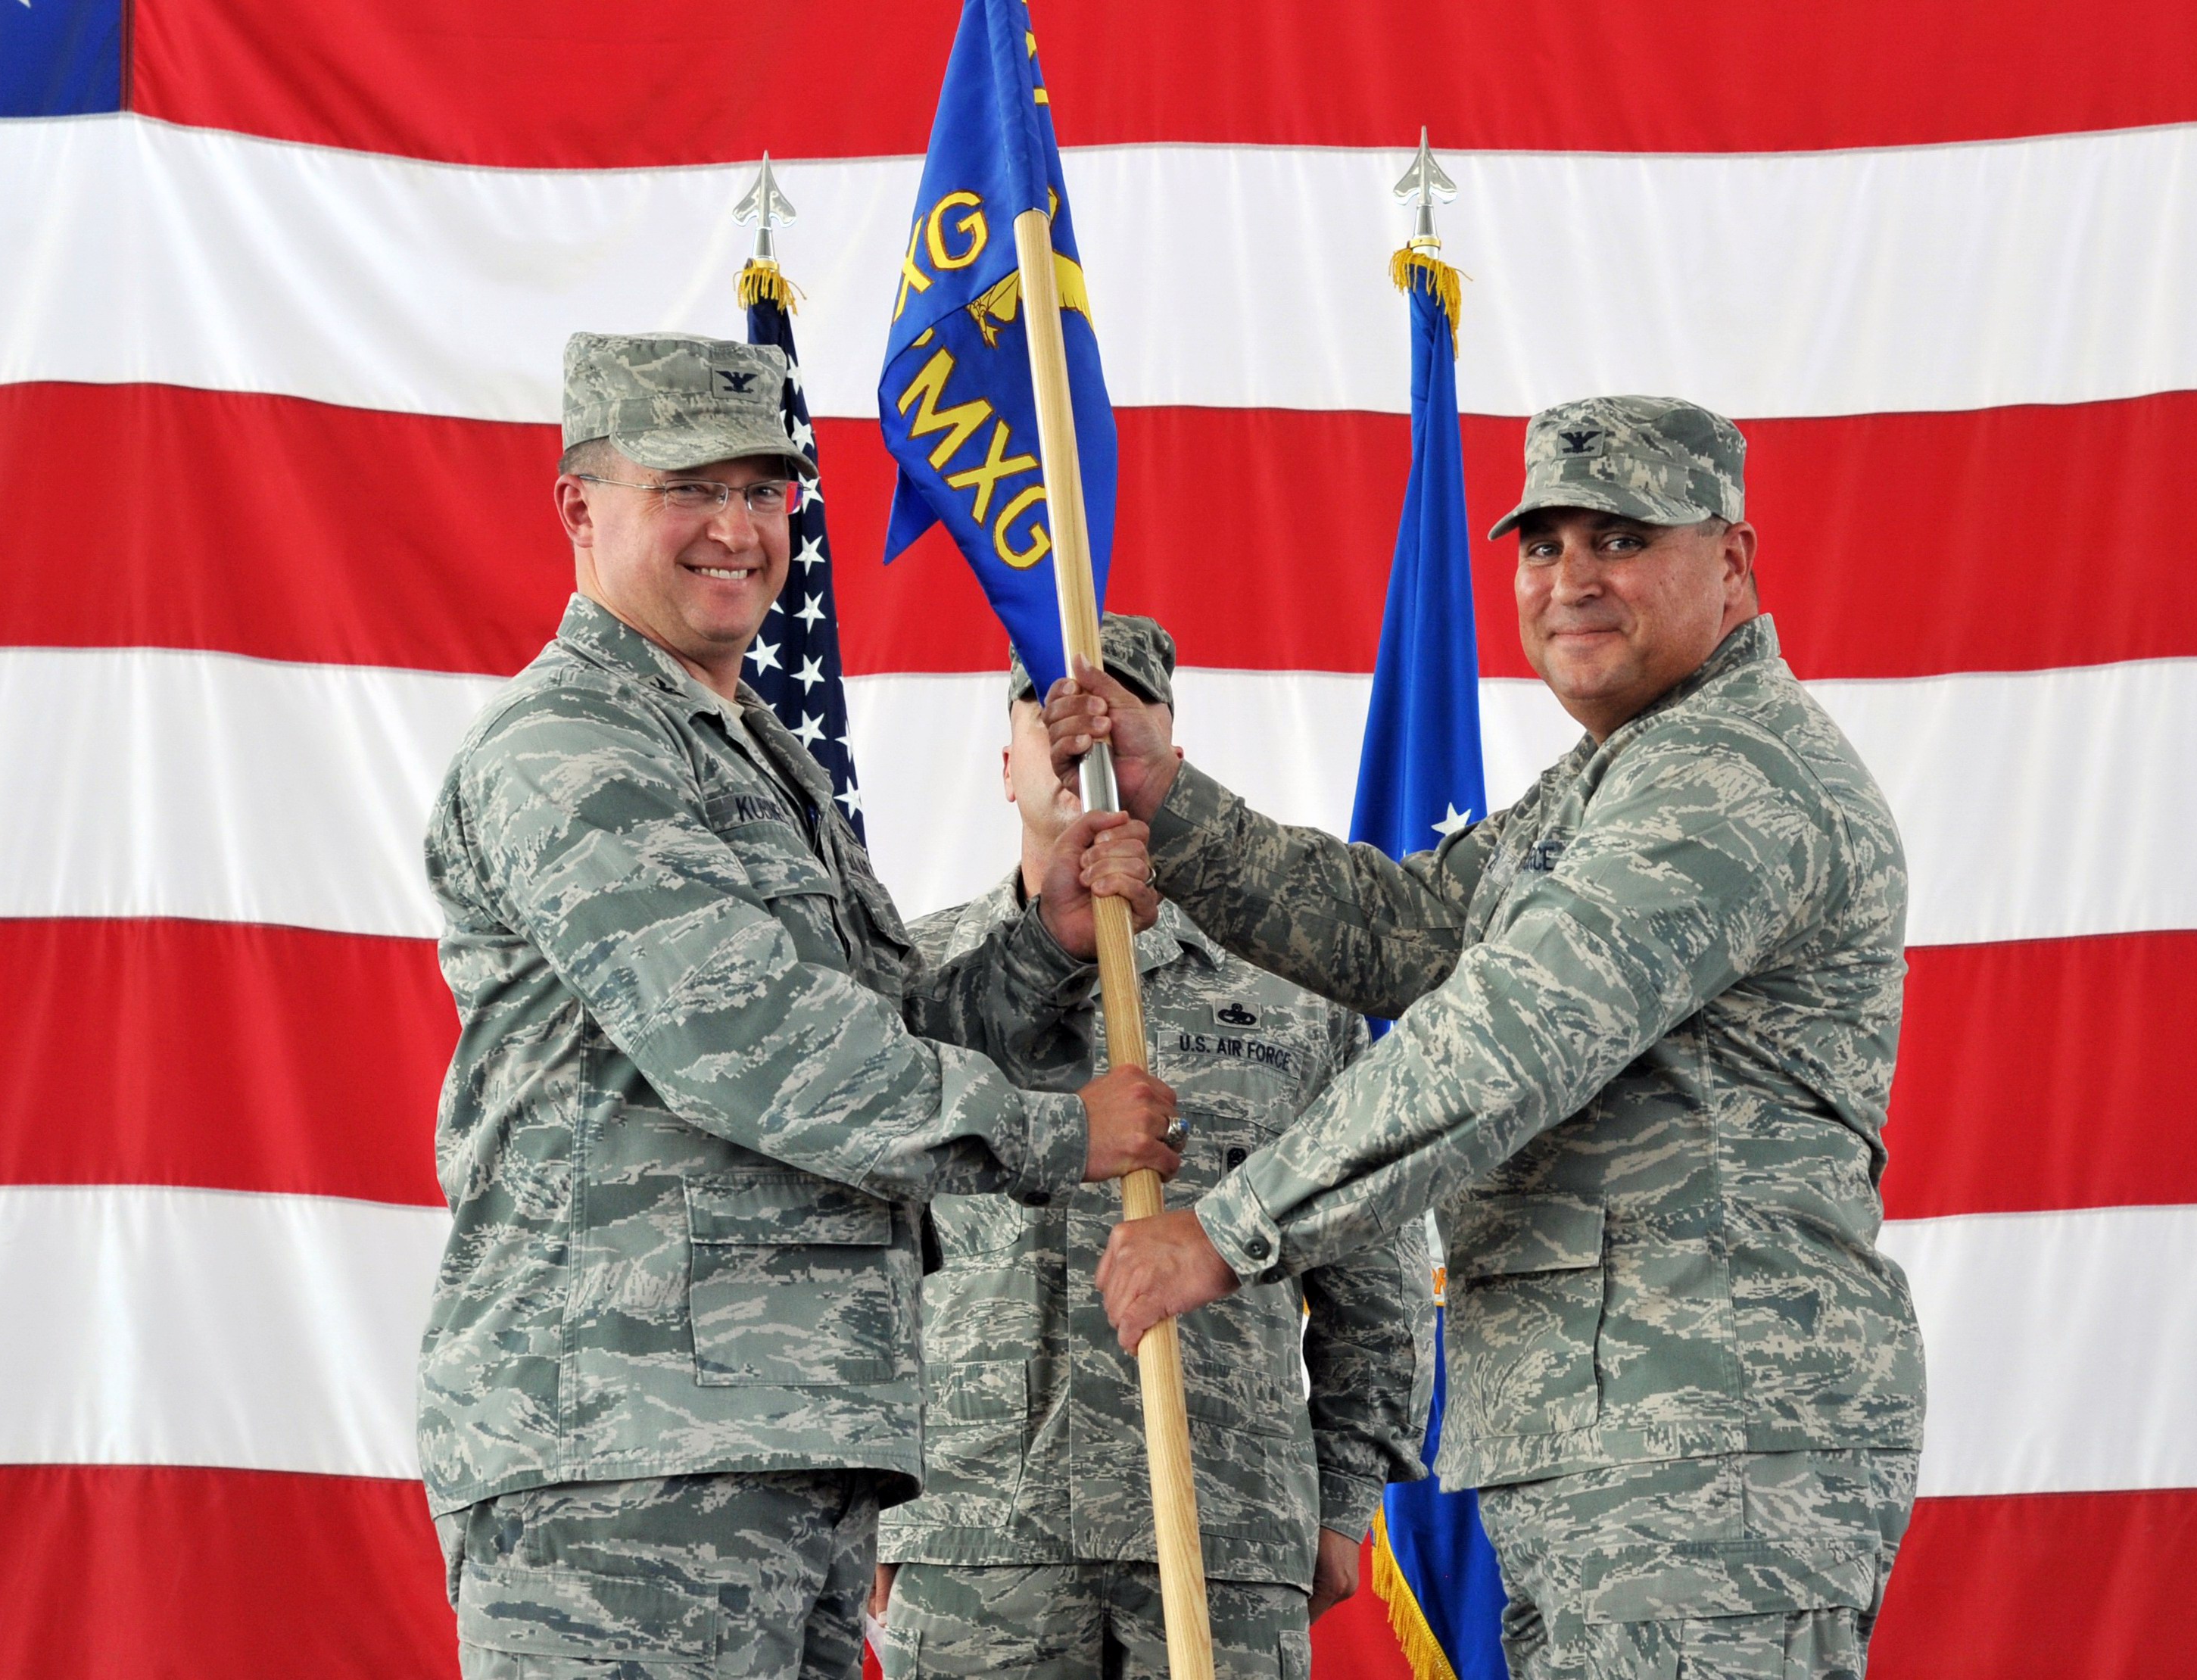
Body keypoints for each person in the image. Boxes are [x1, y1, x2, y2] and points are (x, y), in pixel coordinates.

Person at [1059, 398, 1927, 1680]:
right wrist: (1170, 807)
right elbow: (1410, 928)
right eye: (1541, 544)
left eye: (1619, 539)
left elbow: (1503, 1038)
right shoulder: (1621, 771)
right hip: (1623, 1439)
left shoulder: (1730, 778)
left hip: (1705, 1454)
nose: (1569, 580)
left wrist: (1231, 1229)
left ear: (1732, 566)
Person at [417, 332, 1184, 1680]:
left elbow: (882, 1028)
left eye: (766, 491)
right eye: (689, 488)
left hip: (785, 1443)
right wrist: (1066, 1135)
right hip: (629, 1454)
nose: (738, 528)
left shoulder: (750, 750)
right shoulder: (572, 747)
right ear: (579, 508)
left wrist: (1045, 939)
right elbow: (752, 1048)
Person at [869, 618, 1434, 1680]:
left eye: (1117, 713)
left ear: (1167, 751)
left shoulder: (1292, 992)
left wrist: (1345, 1497)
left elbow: (1374, 1253)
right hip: (974, 1535)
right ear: (1005, 765)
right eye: (1053, 716)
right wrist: (871, 1507)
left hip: (1224, 1524)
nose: (1083, 739)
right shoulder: (913, 980)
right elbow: (861, 1245)